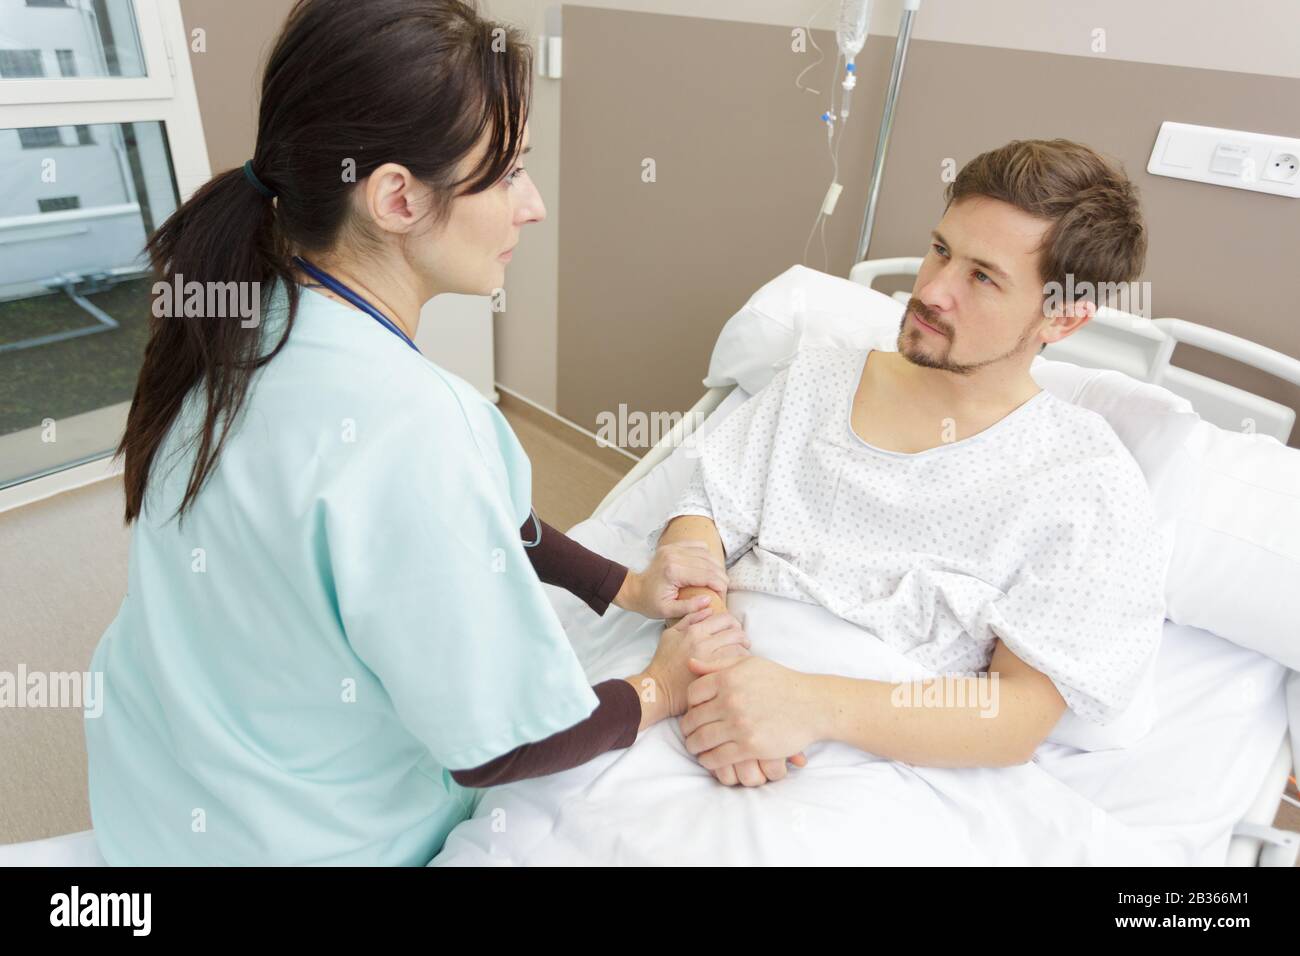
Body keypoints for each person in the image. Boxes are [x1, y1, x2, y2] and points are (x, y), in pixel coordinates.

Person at [84, 0, 746, 865]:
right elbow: (498, 747)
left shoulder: (237, 318)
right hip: (296, 843)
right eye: (507, 174)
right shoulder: (416, 427)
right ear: (396, 195)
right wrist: (656, 685)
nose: (533, 206)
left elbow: (481, 523)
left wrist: (626, 586)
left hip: (155, 794)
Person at [657, 139, 1166, 784]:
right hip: (705, 687)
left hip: (883, 755)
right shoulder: (819, 380)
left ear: (1062, 319)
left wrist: (806, 705)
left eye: (982, 277)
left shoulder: (1084, 485)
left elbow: (1016, 718)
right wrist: (715, 659)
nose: (930, 290)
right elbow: (702, 514)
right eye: (941, 250)